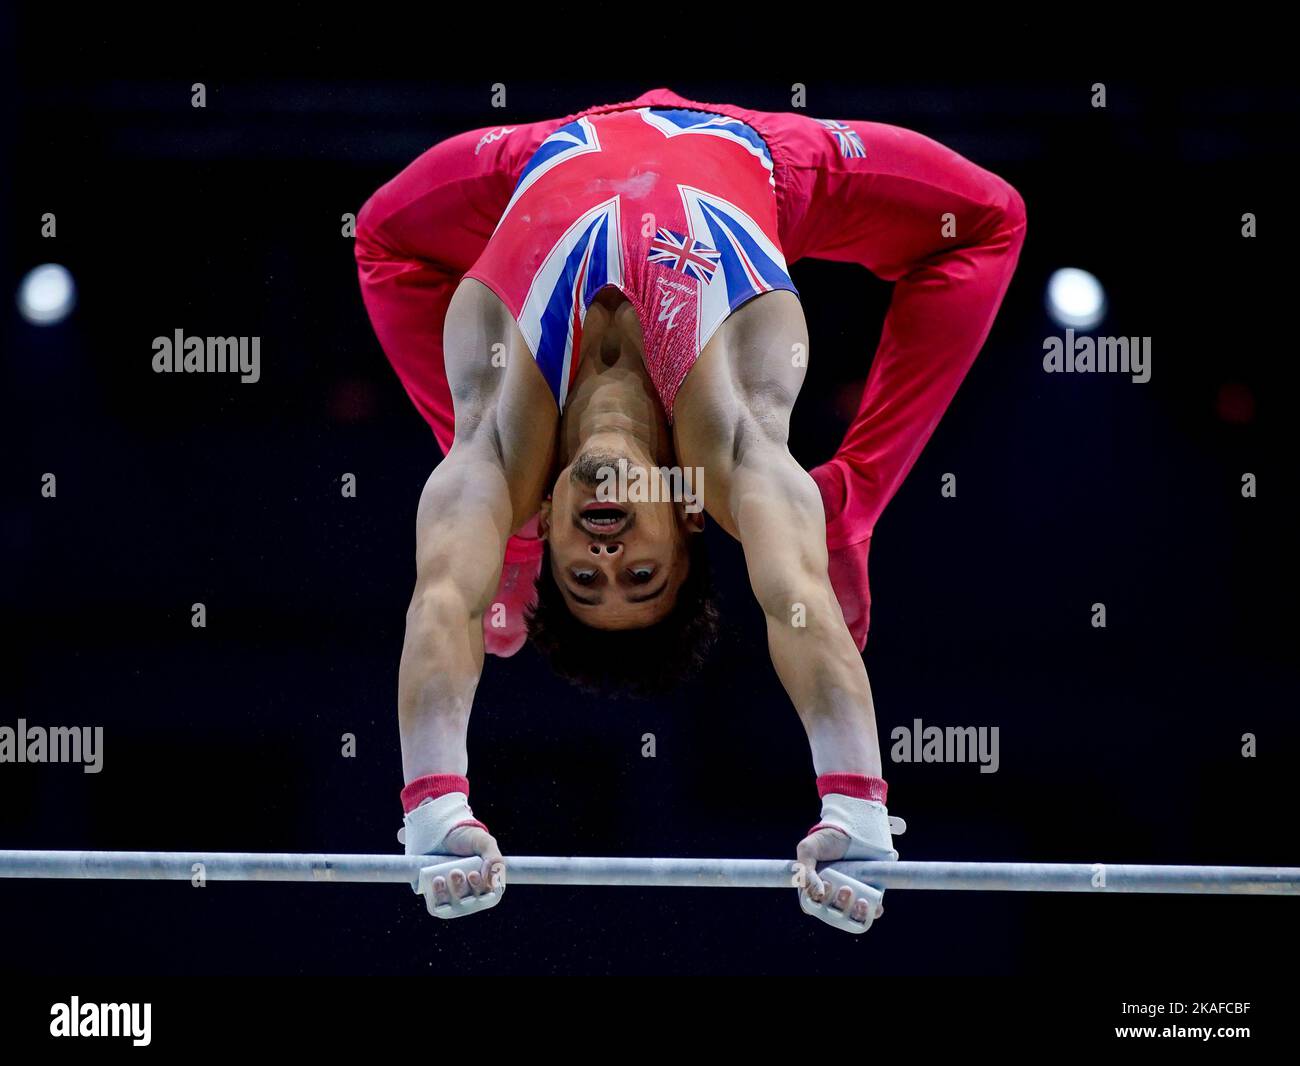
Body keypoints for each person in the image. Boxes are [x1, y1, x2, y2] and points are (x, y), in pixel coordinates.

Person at [357, 89, 1025, 932]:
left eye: (580, 574)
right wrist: (854, 804)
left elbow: (446, 600)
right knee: (990, 219)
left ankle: (511, 545)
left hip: (540, 157)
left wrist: (435, 807)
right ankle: (849, 508)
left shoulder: (498, 439)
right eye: (641, 574)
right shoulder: (730, 441)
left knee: (381, 234)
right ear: (691, 515)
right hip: (764, 160)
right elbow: (798, 602)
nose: (605, 553)